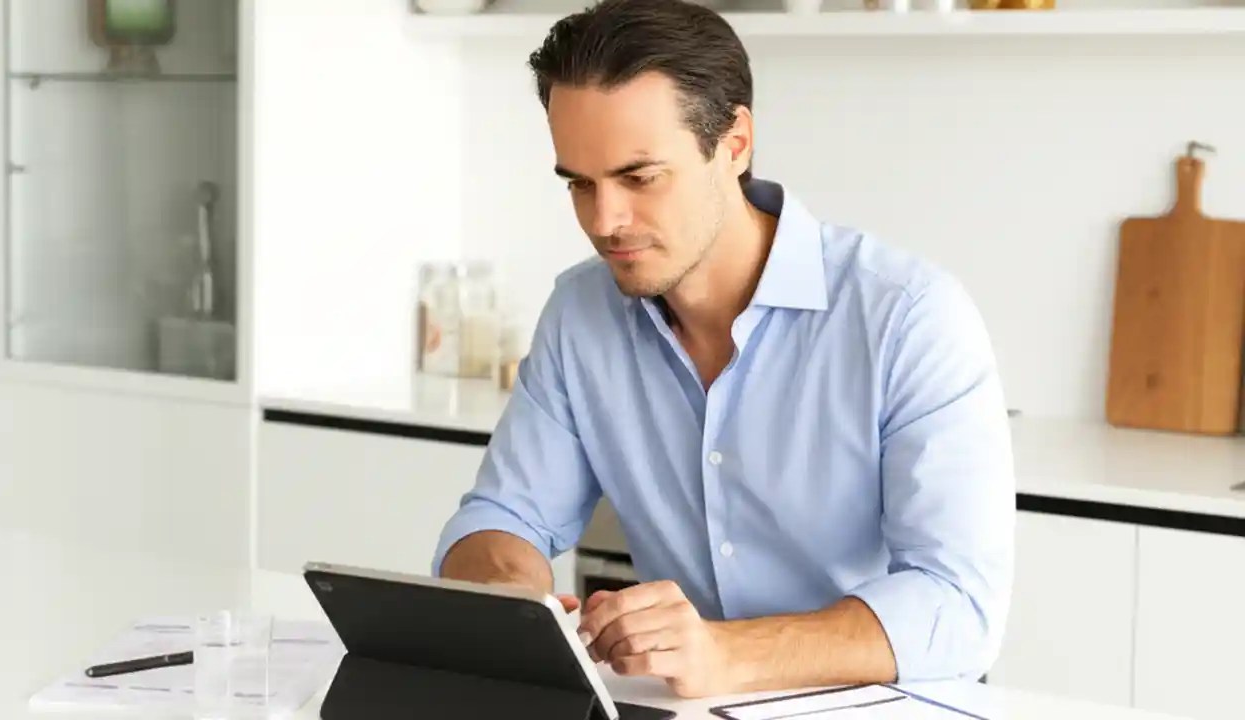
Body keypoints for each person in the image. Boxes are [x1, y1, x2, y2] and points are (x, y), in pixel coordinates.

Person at [432, 0, 1015, 700]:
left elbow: (959, 607)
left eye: (639, 178)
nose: (604, 220)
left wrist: (728, 652)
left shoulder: (908, 317)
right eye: (580, 184)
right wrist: (516, 602)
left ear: (734, 143)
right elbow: (503, 518)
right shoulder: (580, 315)